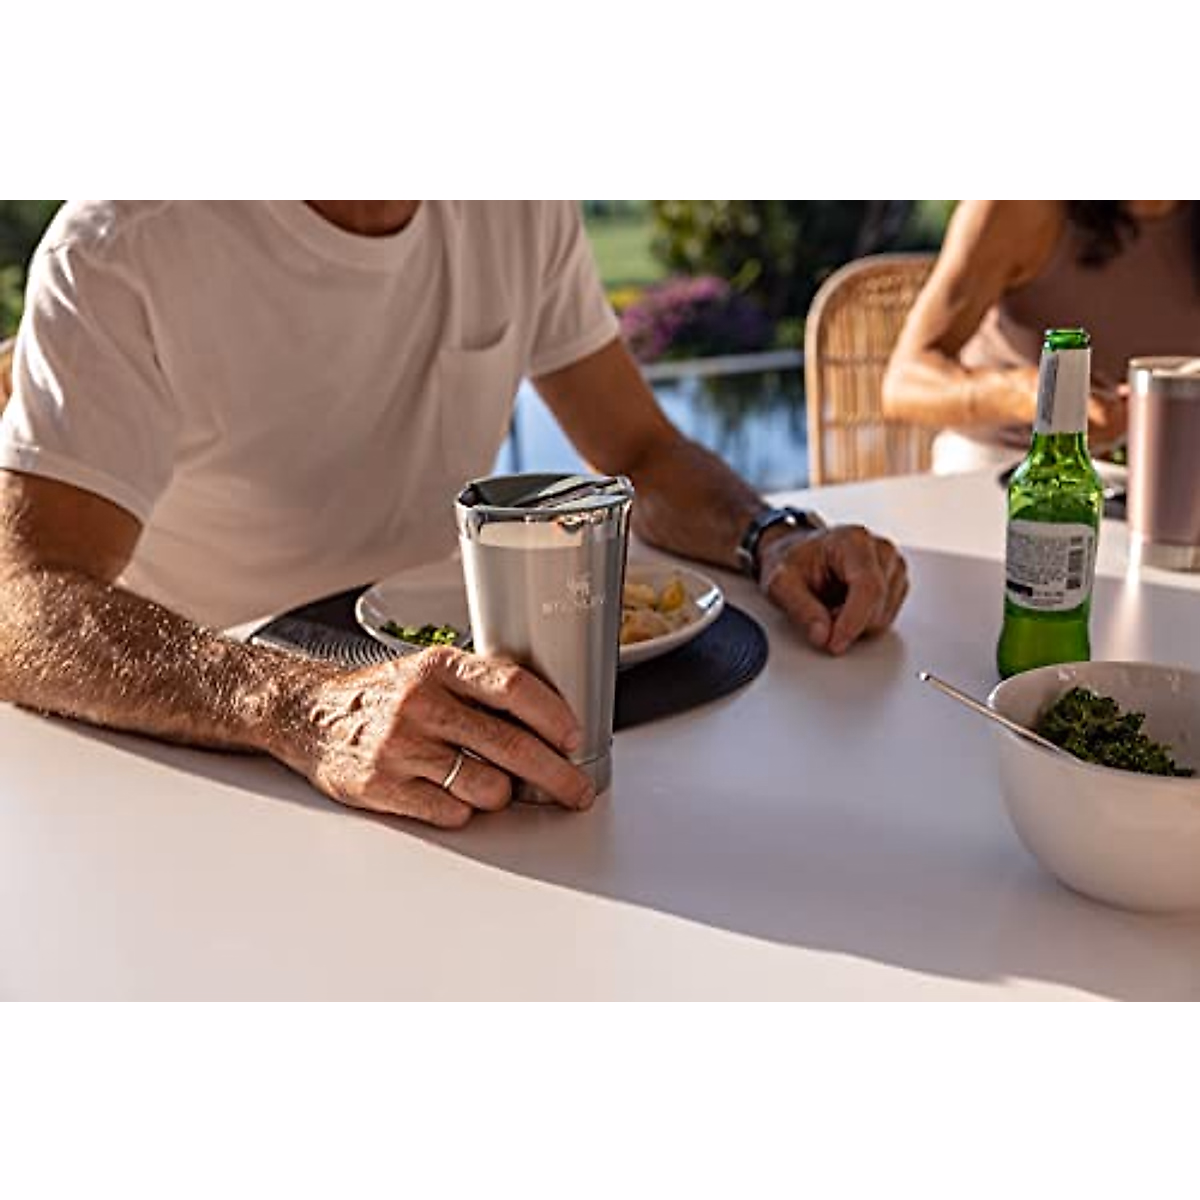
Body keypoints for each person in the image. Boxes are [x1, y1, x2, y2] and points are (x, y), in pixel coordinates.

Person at [0, 201, 908, 828]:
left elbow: (638, 449)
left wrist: (772, 536)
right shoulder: (121, 246)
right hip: (212, 767)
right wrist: (300, 706)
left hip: (446, 747)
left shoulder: (516, 204)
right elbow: (20, 596)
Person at [883, 200, 1200, 474]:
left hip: (1168, 476)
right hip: (1006, 468)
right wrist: (1035, 393)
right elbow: (904, 383)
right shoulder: (1019, 206)